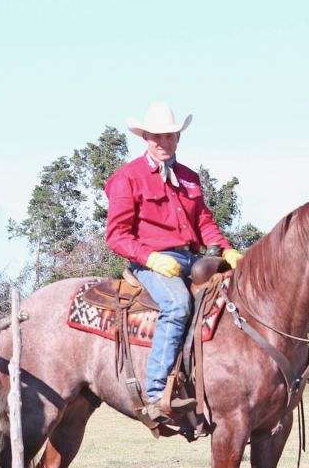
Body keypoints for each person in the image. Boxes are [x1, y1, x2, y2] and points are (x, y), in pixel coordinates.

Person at [104, 101, 244, 422]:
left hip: (191, 257)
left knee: (227, 298)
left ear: (178, 138)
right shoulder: (128, 178)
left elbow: (204, 222)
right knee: (178, 305)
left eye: (169, 136)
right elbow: (117, 235)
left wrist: (225, 250)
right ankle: (155, 393)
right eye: (157, 137)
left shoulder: (189, 178)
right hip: (150, 263)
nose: (163, 143)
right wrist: (151, 258)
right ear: (145, 138)